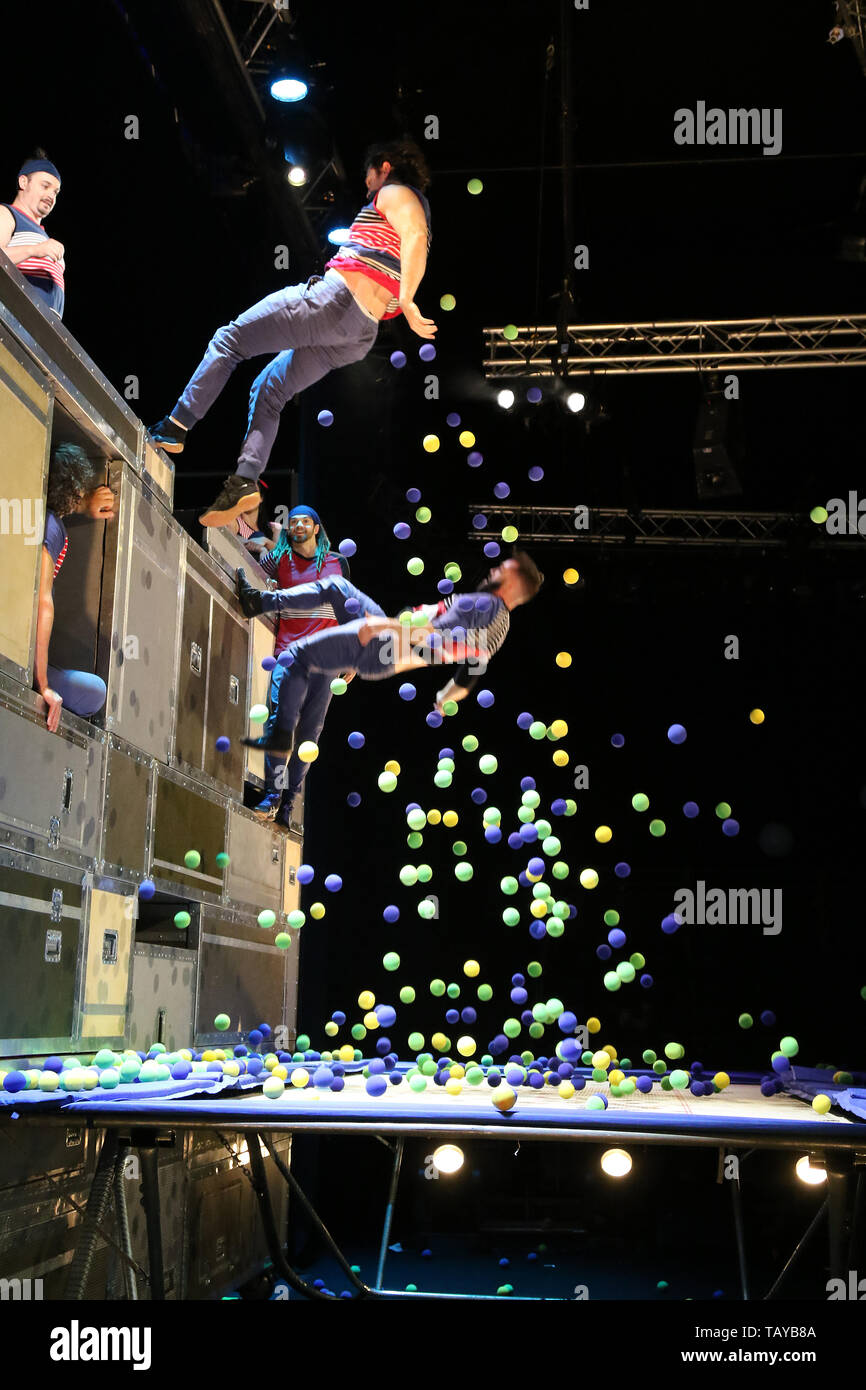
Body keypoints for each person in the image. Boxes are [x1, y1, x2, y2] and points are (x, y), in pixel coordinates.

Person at [149, 138, 435, 529]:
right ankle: (245, 480)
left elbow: (414, 236)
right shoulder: (413, 214)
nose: (368, 186)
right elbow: (413, 245)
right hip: (359, 334)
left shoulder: (394, 191)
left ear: (384, 167)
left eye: (369, 176)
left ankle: (175, 426)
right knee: (269, 389)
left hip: (334, 302)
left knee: (229, 340)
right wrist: (398, 298)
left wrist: (409, 299)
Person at [234, 552, 544, 757]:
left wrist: (383, 626)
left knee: (299, 655)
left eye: (502, 569)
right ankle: (259, 602)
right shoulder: (500, 628)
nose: (493, 569)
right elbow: (467, 678)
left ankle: (281, 734)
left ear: (512, 583)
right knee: (337, 587)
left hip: (383, 644)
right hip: (385, 655)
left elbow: (434, 637)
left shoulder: (485, 605)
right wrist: (443, 699)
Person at [250, 505, 355, 829]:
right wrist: (262, 544)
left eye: (305, 522)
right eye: (293, 521)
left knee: (309, 736)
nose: (298, 526)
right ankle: (272, 795)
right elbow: (251, 567)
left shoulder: (338, 563)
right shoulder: (281, 559)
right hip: (289, 656)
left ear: (316, 528)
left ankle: (288, 803)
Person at [36, 444, 116, 732]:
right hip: (24, 655)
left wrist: (84, 505)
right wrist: (43, 684)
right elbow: (43, 602)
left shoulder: (43, 517)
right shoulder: (51, 527)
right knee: (94, 692)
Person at [0, 153, 65, 317]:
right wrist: (34, 250)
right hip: (12, 314)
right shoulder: (7, 213)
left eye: (55, 192)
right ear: (23, 182)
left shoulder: (43, 236)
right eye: (45, 186)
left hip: (39, 325)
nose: (51, 196)